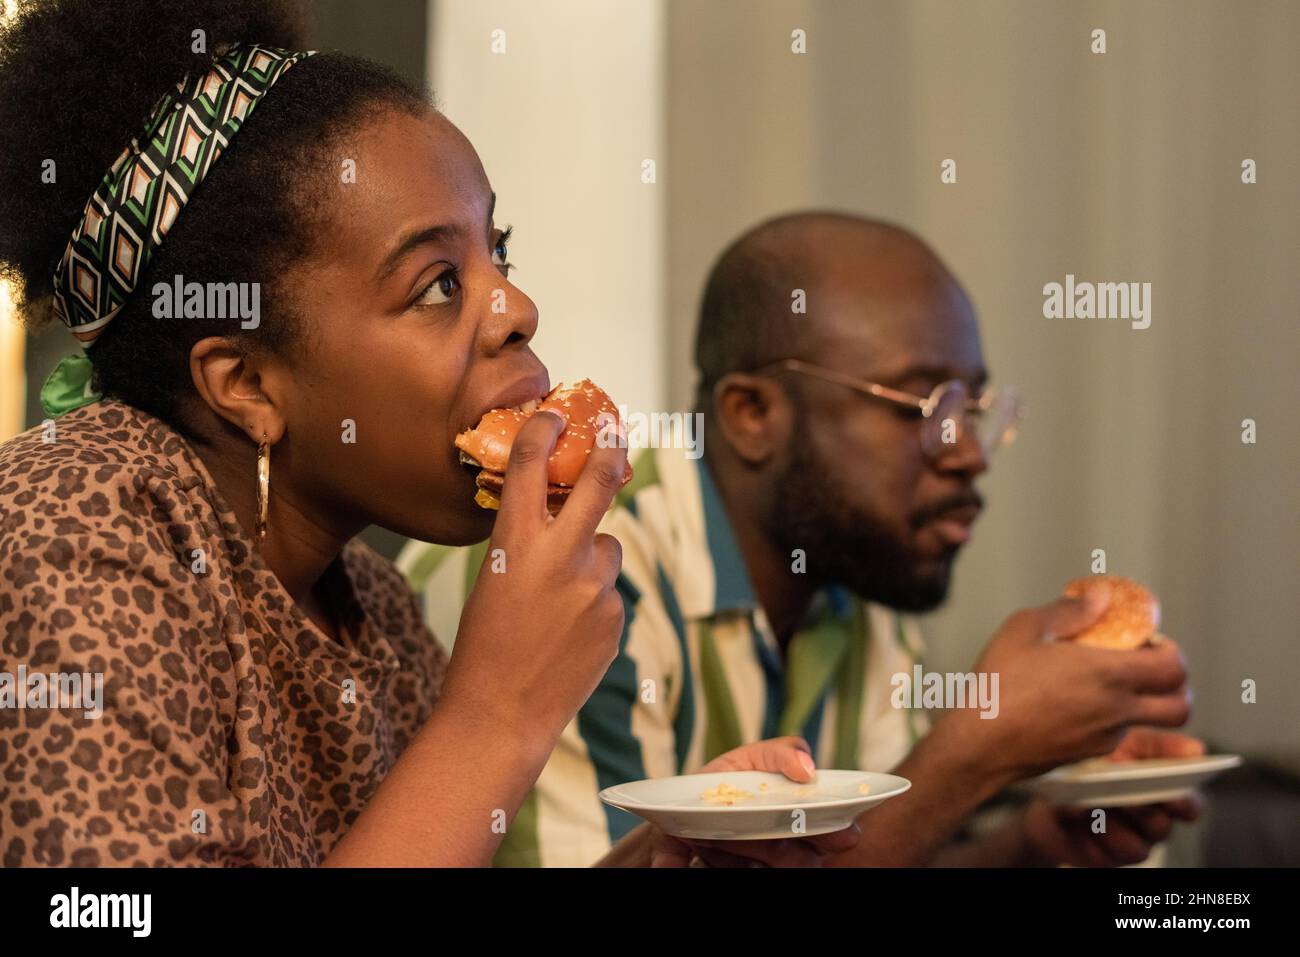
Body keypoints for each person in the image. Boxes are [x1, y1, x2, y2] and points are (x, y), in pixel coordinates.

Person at [0, 0, 851, 868]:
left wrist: (670, 859)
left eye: (499, 253)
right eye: (439, 283)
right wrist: (496, 715)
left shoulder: (378, 613)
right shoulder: (69, 530)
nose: (518, 309)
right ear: (248, 383)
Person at [405, 212, 1202, 867]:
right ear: (753, 415)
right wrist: (974, 751)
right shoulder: (575, 560)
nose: (968, 451)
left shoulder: (854, 579)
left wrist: (1032, 845)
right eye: (927, 405)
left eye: (977, 409)